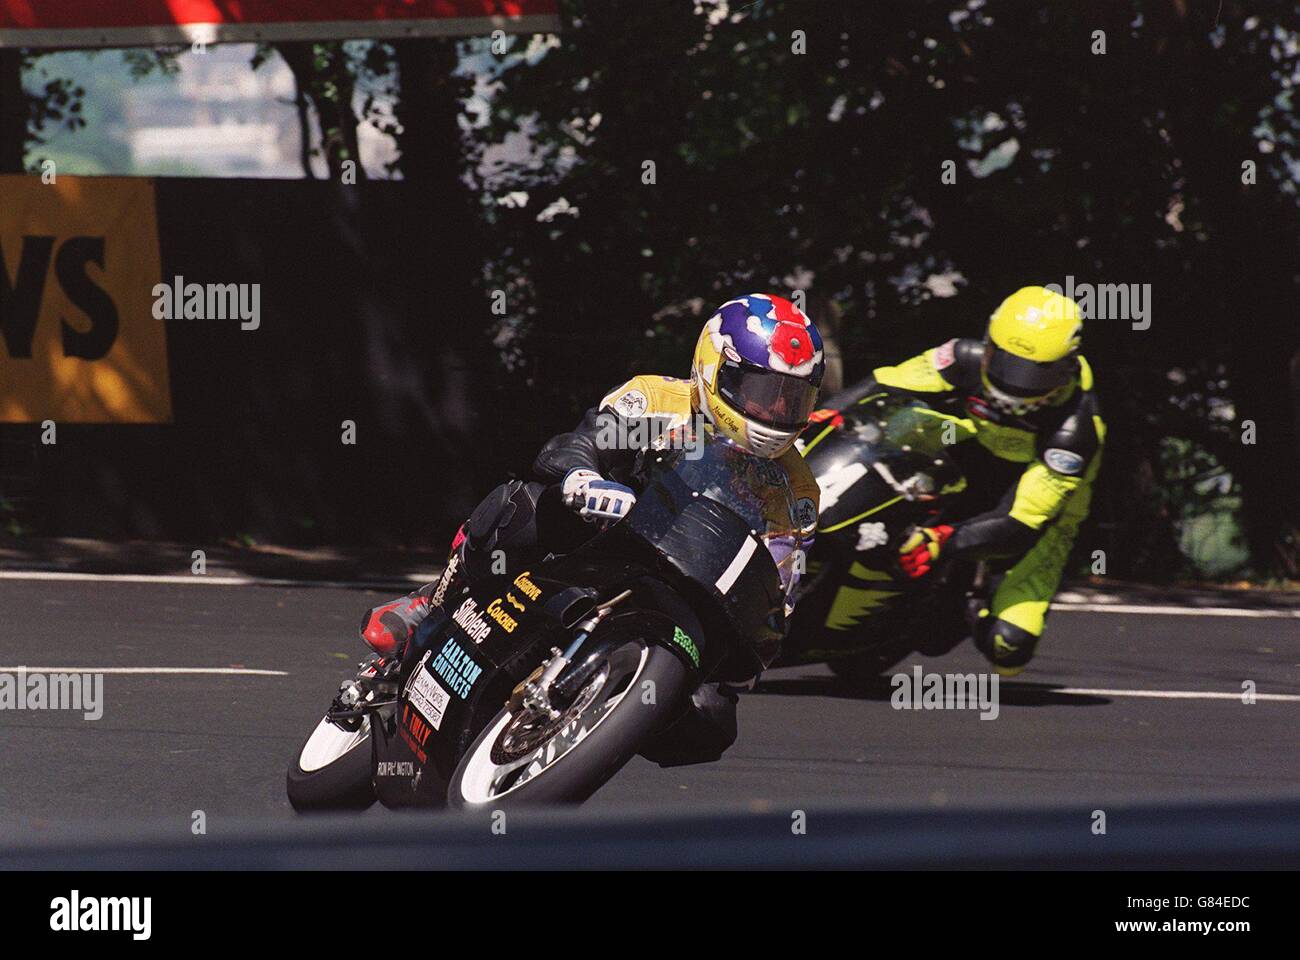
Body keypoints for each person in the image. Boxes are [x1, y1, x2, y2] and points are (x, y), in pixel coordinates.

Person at [361, 292, 825, 701]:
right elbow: (580, 443)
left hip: (684, 596)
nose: (776, 410)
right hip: (596, 540)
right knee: (521, 505)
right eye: (763, 392)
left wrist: (754, 641)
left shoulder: (796, 487)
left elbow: (778, 590)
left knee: (712, 716)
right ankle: (435, 603)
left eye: (793, 398)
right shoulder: (657, 400)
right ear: (713, 367)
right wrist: (584, 479)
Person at [824, 285, 1104, 675]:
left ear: (1067, 366)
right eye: (1003, 361)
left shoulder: (1075, 431)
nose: (1013, 382)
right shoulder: (961, 356)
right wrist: (822, 415)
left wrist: (942, 541)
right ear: (988, 343)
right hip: (969, 454)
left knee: (1008, 647)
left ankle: (970, 605)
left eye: (1034, 372)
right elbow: (884, 382)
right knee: (904, 421)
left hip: (1036, 514)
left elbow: (1020, 523)